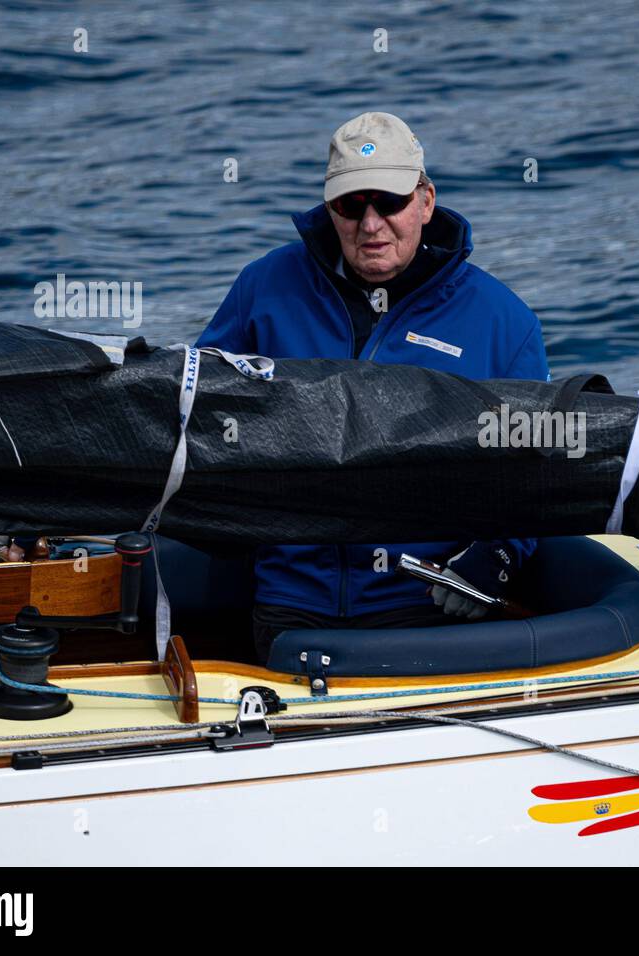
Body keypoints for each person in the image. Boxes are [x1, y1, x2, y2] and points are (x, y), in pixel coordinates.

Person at [197, 112, 550, 661]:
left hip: (425, 606)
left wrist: (500, 553)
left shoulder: (504, 323)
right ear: (329, 209)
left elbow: (541, 463)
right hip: (290, 601)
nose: (370, 224)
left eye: (388, 202)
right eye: (350, 205)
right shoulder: (262, 290)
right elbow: (194, 413)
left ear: (425, 202)